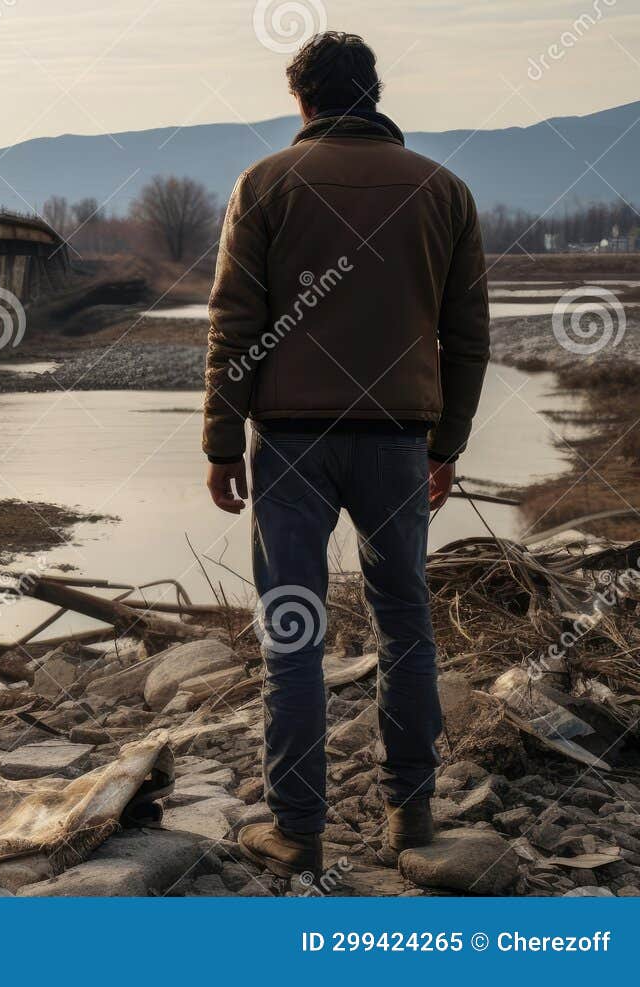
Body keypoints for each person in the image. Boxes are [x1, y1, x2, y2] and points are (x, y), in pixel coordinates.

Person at [202, 31, 490, 879]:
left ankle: (298, 827)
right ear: (374, 92)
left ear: (304, 102)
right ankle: (412, 817)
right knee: (404, 620)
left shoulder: (265, 185)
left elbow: (233, 327)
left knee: (292, 632)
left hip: (290, 440)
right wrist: (449, 442)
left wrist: (222, 441)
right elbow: (468, 337)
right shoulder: (445, 190)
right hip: (399, 440)